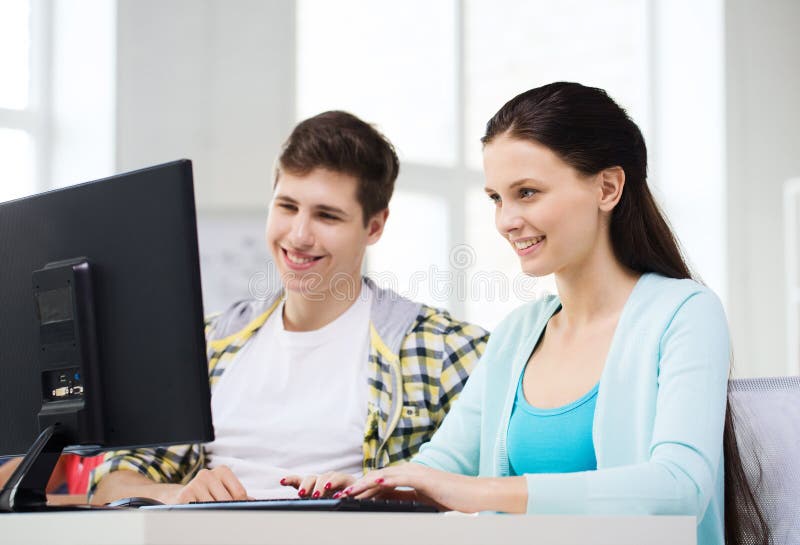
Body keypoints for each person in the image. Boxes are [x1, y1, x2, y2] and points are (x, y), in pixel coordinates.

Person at [302, 84, 766, 545]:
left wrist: (480, 492)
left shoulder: (685, 314)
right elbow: (441, 467)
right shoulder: (518, 334)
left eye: (527, 193)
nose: (505, 220)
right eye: (495, 198)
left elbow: (678, 489)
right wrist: (377, 486)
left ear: (608, 187)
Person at [87, 111, 489, 505]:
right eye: (287, 207)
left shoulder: (442, 350)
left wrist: (379, 493)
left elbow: (497, 482)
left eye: (326, 216)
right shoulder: (205, 344)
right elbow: (109, 484)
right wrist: (175, 494)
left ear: (374, 227)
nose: (298, 236)